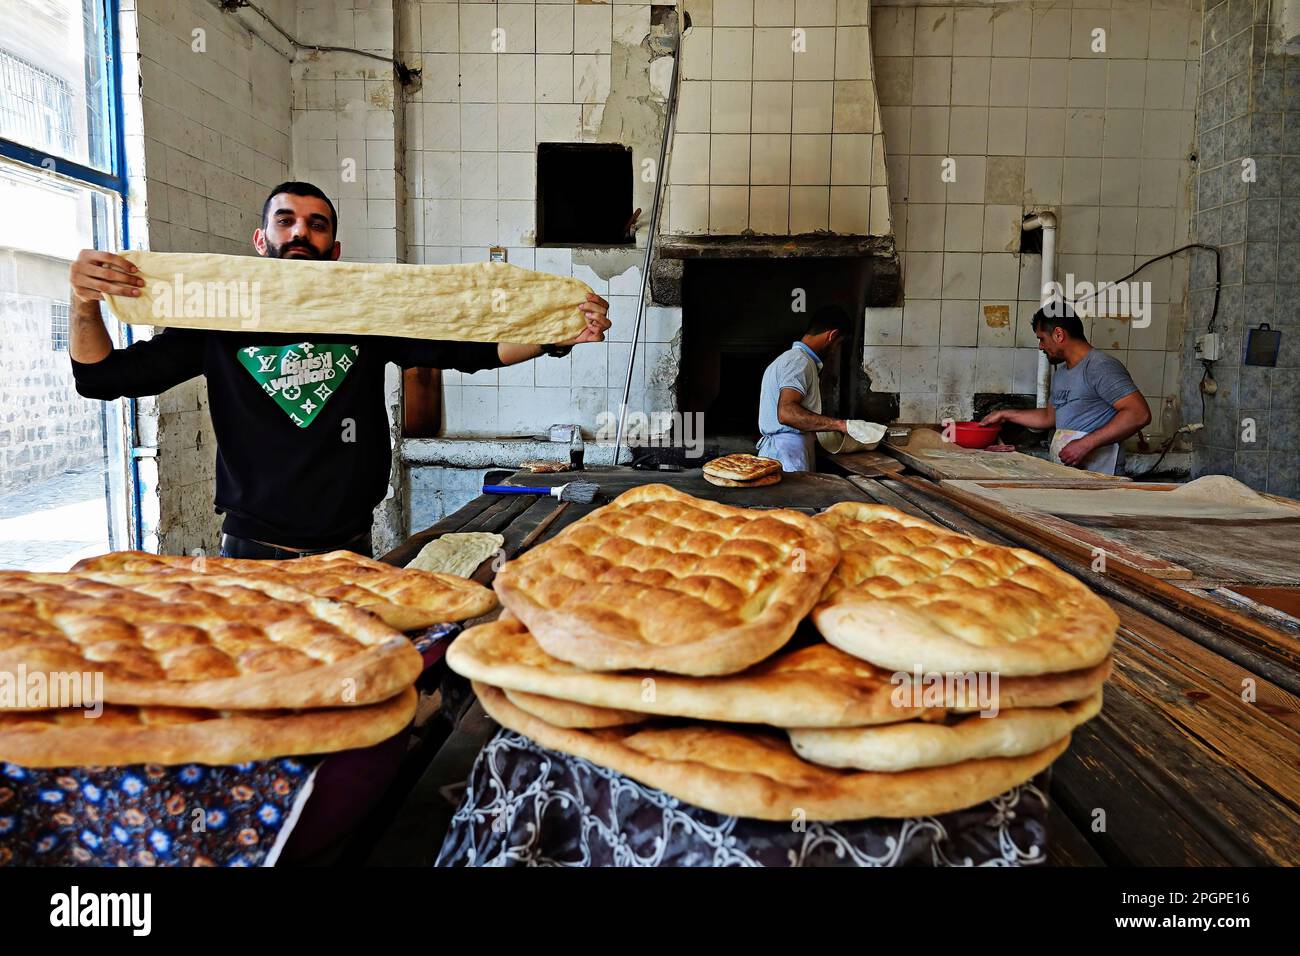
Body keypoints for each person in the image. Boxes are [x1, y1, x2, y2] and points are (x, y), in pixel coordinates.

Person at [68, 181, 611, 559]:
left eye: (317, 225)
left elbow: (469, 351)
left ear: (336, 250)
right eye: (286, 221)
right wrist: (84, 301)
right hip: (252, 549)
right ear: (262, 242)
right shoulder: (218, 316)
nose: (300, 233)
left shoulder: (366, 316)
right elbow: (104, 379)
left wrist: (557, 334)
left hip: (350, 545)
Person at [982, 304, 1150, 475]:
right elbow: (1049, 417)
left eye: (1042, 339)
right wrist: (1005, 414)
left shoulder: (1100, 366)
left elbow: (1139, 413)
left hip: (1101, 478)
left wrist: (1086, 443)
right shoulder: (1061, 374)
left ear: (1059, 335)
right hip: (1069, 475)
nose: (1041, 346)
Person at [755, 306, 850, 472]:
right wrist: (840, 425)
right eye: (838, 344)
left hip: (787, 451)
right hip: (787, 455)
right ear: (832, 335)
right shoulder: (799, 361)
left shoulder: (791, 359)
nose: (835, 350)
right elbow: (787, 413)